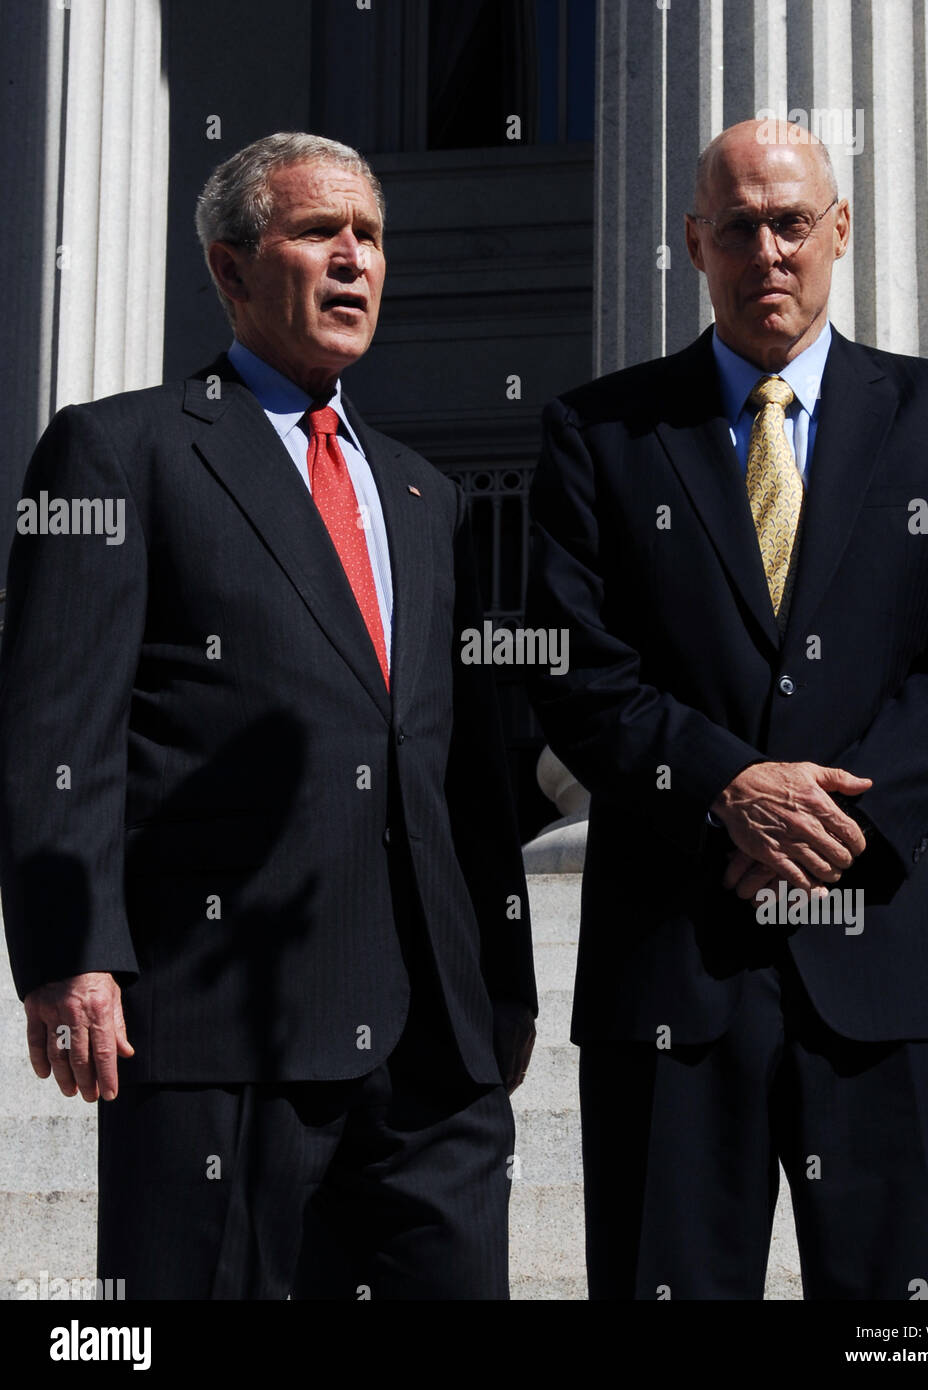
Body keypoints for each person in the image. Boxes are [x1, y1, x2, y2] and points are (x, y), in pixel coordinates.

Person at [0, 132, 536, 1300]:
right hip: (219, 1028)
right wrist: (68, 950)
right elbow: (57, 727)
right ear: (231, 271)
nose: (354, 260)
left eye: (373, 237)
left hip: (434, 1050)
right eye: (318, 232)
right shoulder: (118, 452)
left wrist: (504, 983)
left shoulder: (424, 495)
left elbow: (464, 766)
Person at [527, 119, 928, 1300]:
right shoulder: (598, 434)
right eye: (740, 227)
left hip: (884, 960)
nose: (769, 252)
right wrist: (727, 790)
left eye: (792, 223)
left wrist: (836, 821)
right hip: (673, 971)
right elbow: (570, 666)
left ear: (839, 233)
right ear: (695, 242)